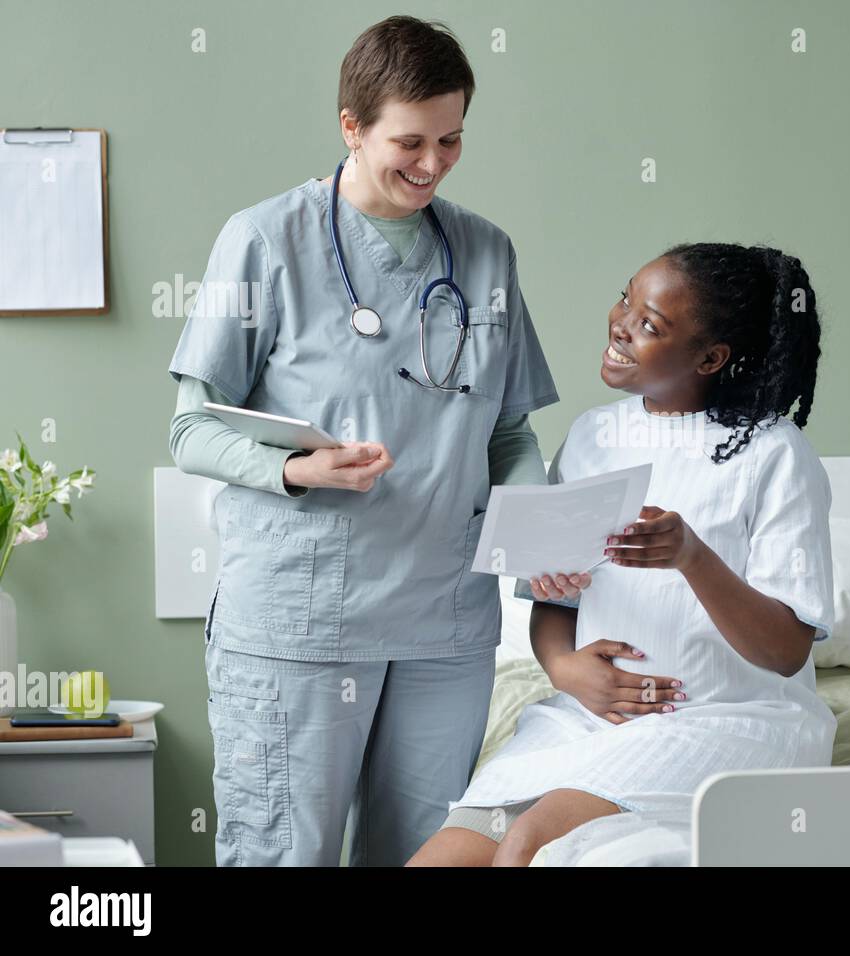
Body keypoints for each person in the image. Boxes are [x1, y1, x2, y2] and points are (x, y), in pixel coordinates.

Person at [168, 16, 587, 866]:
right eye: (409, 142)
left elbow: (508, 429)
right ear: (351, 127)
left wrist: (540, 524)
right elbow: (191, 428)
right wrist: (294, 467)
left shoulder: (485, 255)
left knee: (422, 857)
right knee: (287, 852)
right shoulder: (263, 240)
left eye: (452, 140)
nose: (431, 164)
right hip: (303, 620)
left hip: (444, 625)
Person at [407, 242, 836, 866]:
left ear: (711, 357)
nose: (620, 322)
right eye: (626, 297)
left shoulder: (775, 455)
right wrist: (563, 668)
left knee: (529, 844)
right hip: (588, 719)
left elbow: (785, 650)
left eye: (649, 324)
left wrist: (693, 556)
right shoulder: (592, 438)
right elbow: (556, 597)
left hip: (727, 721)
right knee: (443, 858)